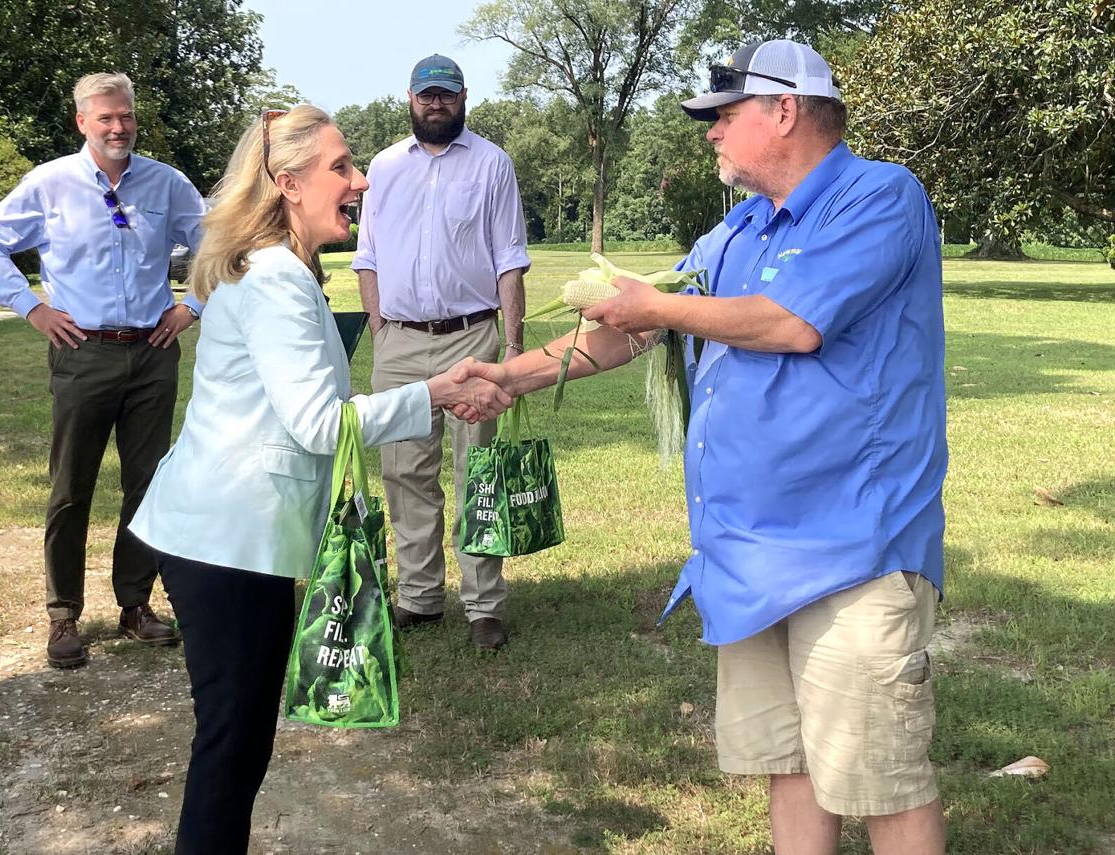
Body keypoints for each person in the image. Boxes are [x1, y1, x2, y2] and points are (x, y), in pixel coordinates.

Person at [456, 39, 949, 855]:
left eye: (723, 116)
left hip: (853, 550)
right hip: (749, 559)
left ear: (783, 110)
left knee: (883, 781)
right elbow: (632, 330)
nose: (711, 134)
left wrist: (657, 305)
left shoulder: (880, 196)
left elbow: (791, 322)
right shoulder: (738, 230)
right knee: (787, 767)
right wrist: (512, 376)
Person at [127, 105, 510, 854]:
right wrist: (434, 393)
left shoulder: (284, 266)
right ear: (287, 182)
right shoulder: (274, 275)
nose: (361, 179)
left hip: (233, 541)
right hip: (224, 543)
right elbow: (316, 422)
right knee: (231, 750)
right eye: (343, 166)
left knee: (238, 747)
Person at [0, 72, 206, 668]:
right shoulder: (49, 185)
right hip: (83, 352)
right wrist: (32, 307)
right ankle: (63, 614)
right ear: (82, 122)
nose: (118, 127)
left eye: (125, 116)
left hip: (153, 351)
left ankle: (135, 604)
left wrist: (191, 307)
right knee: (71, 487)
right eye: (105, 118)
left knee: (147, 484)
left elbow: (217, 247)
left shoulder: (167, 183)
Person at [352, 54, 531, 650]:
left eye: (446, 96)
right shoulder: (381, 167)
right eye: (427, 96)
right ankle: (421, 597)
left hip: (473, 337)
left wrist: (511, 346)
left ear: (463, 98)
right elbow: (368, 256)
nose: (436, 105)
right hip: (399, 341)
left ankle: (484, 603)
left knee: (479, 471)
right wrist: (379, 328)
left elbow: (509, 258)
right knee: (405, 474)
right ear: (409, 98)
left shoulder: (491, 163)